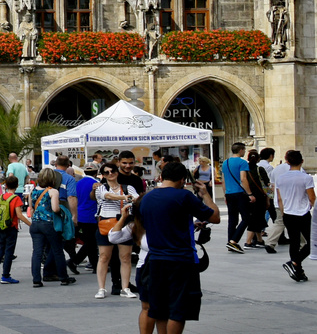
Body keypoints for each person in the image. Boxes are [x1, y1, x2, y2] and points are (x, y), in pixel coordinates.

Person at [138, 158, 218, 334]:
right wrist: (205, 195)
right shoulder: (184, 196)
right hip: (181, 259)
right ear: (182, 179)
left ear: (161, 176)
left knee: (159, 308)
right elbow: (215, 217)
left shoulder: (147, 198)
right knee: (178, 310)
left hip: (156, 260)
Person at [93, 163, 137, 299]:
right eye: (106, 172)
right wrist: (125, 198)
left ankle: (125, 288)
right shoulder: (101, 188)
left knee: (126, 256)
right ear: (103, 175)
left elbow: (136, 198)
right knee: (104, 256)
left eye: (113, 171)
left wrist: (131, 198)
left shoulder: (127, 187)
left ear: (117, 172)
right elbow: (107, 196)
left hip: (124, 222)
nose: (110, 174)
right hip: (106, 222)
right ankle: (101, 288)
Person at [25, 166, 74, 288]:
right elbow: (55, 208)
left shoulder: (33, 191)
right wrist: (61, 212)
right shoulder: (53, 191)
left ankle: (36, 279)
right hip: (49, 224)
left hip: (35, 224)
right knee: (57, 250)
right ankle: (63, 277)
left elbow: (31, 208)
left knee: (37, 252)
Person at [275, 150, 314, 282]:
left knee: (294, 242)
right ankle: (295, 263)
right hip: (302, 213)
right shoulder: (306, 178)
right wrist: (310, 206)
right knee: (313, 241)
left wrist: (283, 211)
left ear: (287, 162)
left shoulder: (281, 178)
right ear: (302, 161)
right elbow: (312, 197)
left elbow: (279, 199)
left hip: (288, 213)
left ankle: (298, 270)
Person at [0, 175, 24, 284]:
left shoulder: (2, 197)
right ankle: (5, 276)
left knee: (2, 248)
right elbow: (19, 215)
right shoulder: (16, 198)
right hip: (11, 227)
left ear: (6, 185)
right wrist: (31, 224)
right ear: (17, 186)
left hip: (1, 226)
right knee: (9, 251)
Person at [221, 141, 251, 252]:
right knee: (246, 218)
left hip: (229, 193)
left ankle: (230, 242)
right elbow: (243, 179)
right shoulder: (243, 163)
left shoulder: (225, 162)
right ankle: (234, 241)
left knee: (232, 219)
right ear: (241, 150)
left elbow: (223, 180)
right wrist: (250, 194)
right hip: (239, 193)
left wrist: (225, 194)